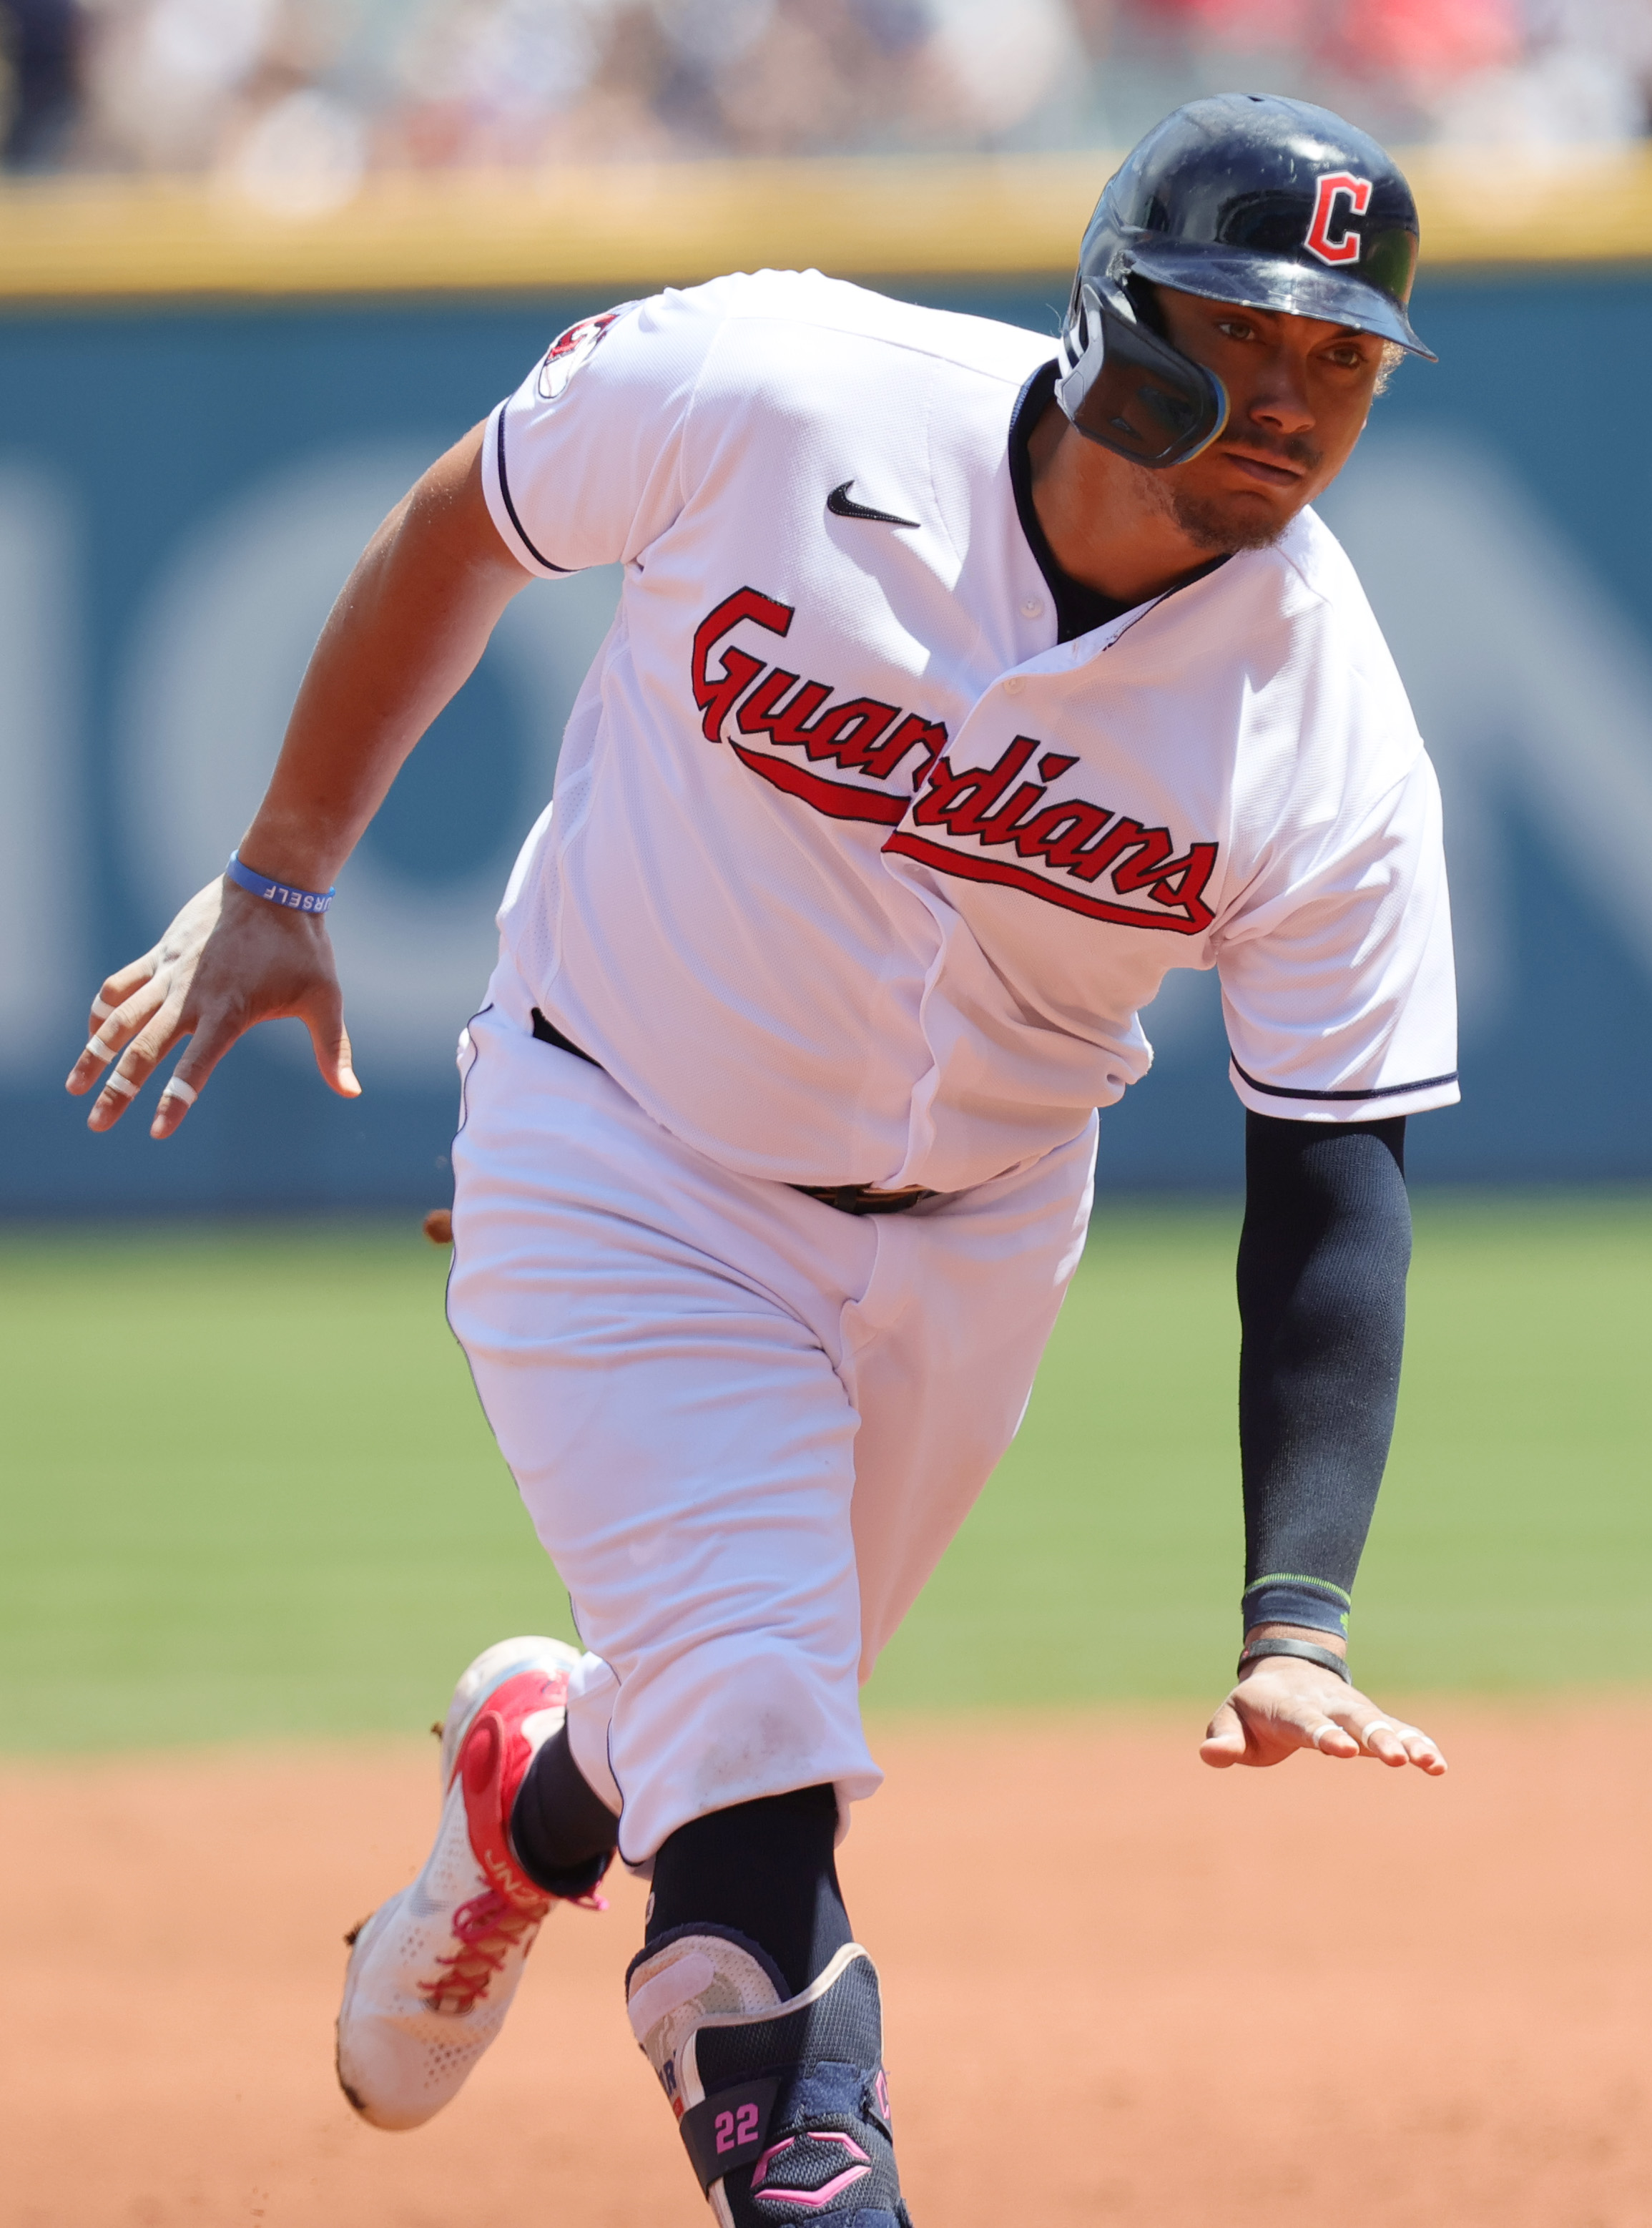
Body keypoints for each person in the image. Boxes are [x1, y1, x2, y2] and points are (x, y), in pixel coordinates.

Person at [69, 94, 1456, 2226]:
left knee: (727, 1708)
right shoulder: (782, 388)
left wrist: (1303, 1609)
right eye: (1247, 332)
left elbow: (1335, 1169)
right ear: (1111, 315)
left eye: (1344, 357)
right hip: (618, 1149)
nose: (1294, 396)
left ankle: (527, 1799)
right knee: (763, 1803)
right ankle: (812, 2157)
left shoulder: (1325, 716)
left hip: (979, 1240)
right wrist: (285, 874)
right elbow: (471, 519)